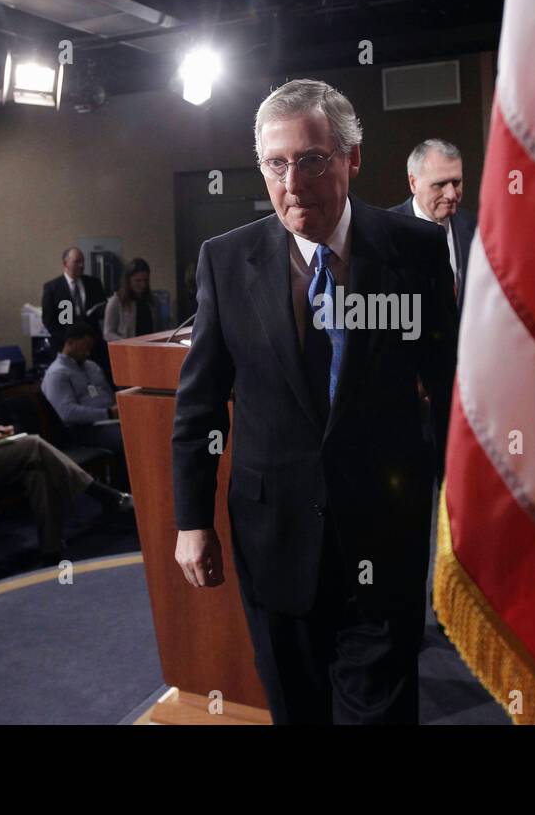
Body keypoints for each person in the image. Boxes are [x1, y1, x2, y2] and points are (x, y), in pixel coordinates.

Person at [171, 79, 458, 724]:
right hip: (274, 538)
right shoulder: (226, 259)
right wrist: (192, 520)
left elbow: (449, 386)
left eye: (312, 159)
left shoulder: (413, 250)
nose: (292, 180)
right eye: (277, 163)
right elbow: (200, 404)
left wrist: (459, 510)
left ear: (352, 159)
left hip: (384, 534)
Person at [0, 334, 132, 567]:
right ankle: (102, 493)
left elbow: (15, 422)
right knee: (34, 444)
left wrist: (7, 431)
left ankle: (51, 550)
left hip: (6, 451)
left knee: (38, 469)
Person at [388, 138, 476, 317]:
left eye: (456, 182)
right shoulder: (385, 232)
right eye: (440, 184)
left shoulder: (474, 228)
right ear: (413, 183)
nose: (451, 194)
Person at [41, 323, 123, 455]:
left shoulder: (91, 366)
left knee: (143, 429)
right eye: (85, 347)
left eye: (90, 348)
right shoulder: (57, 374)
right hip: (83, 428)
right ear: (70, 343)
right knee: (123, 439)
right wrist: (107, 413)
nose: (88, 353)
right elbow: (68, 413)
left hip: (109, 420)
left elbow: (109, 394)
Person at [42, 249, 107, 345]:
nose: (82, 265)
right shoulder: (52, 288)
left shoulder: (94, 284)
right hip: (66, 344)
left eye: (83, 261)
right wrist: (69, 341)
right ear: (65, 264)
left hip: (93, 343)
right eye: (77, 261)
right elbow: (49, 321)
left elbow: (103, 310)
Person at [103, 258, 159, 341]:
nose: (143, 285)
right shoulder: (116, 301)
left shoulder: (152, 300)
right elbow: (108, 333)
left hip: (151, 348)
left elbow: (159, 329)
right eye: (138, 281)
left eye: (146, 280)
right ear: (128, 280)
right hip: (128, 350)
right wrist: (127, 342)